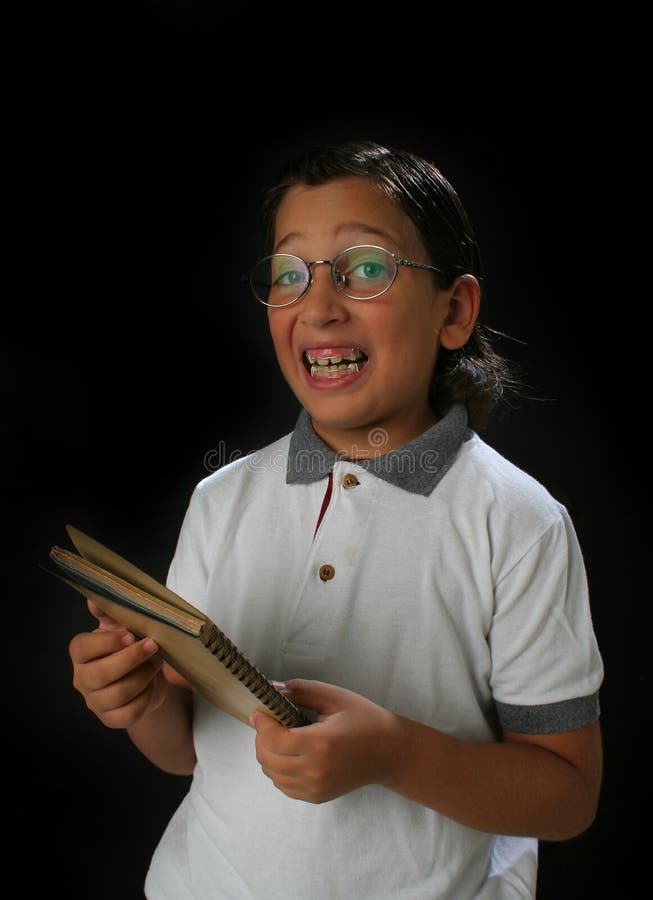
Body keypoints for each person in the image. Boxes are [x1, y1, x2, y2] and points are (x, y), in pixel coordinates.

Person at [69, 140, 604, 899]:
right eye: (290, 274)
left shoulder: (517, 522)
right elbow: (187, 753)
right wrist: (144, 701)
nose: (318, 305)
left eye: (366, 269)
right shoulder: (221, 499)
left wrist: (396, 755)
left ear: (453, 310)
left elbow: (568, 796)